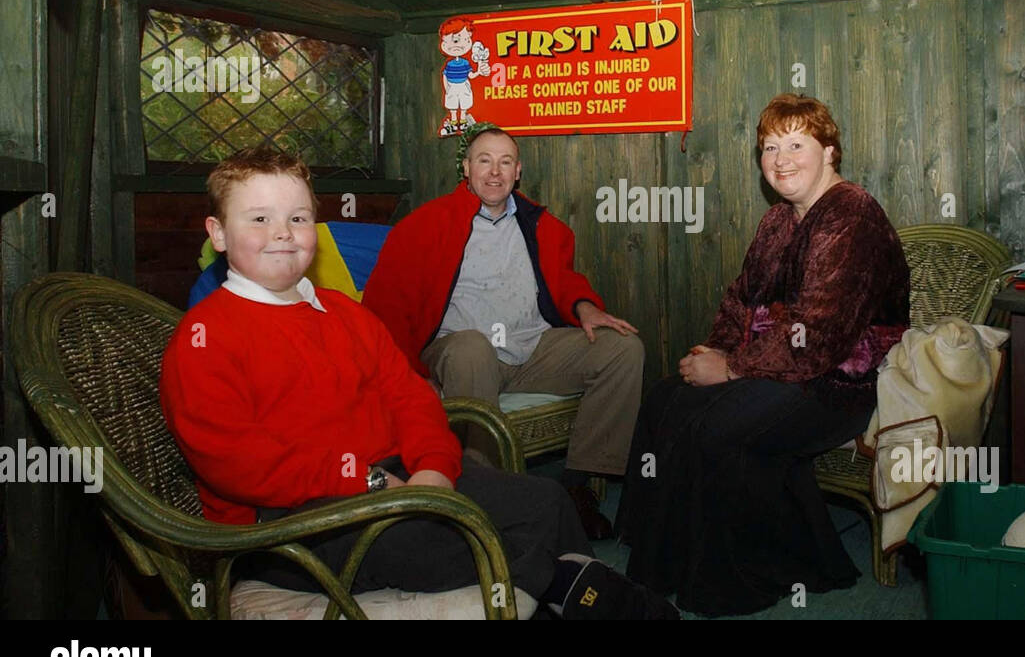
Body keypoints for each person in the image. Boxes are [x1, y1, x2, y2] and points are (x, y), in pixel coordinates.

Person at [159, 146, 676, 620]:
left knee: (545, 502)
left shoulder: (342, 313)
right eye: (259, 219)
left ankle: (569, 596)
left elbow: (409, 395)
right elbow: (241, 465)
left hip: (395, 474)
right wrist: (370, 483)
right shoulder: (205, 337)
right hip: (287, 523)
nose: (282, 233)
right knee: (458, 542)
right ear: (218, 232)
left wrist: (433, 466)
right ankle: (587, 597)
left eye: (297, 218)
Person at [616, 94, 911, 616]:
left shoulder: (853, 216)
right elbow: (741, 298)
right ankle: (659, 559)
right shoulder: (777, 221)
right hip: (779, 371)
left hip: (839, 387)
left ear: (830, 151)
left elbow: (818, 338)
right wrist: (719, 348)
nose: (781, 159)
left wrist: (729, 369)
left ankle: (738, 580)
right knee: (666, 398)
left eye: (797, 145)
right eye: (770, 147)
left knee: (716, 425)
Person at [364, 123, 643, 540]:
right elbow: (385, 307)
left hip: (531, 348)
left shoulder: (539, 225)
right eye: (484, 160)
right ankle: (486, 489)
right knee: (473, 348)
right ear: (466, 168)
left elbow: (561, 279)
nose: (494, 172)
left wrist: (584, 307)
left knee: (623, 347)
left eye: (505, 162)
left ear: (518, 172)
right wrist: (404, 380)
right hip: (460, 348)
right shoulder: (425, 225)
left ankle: (580, 483)